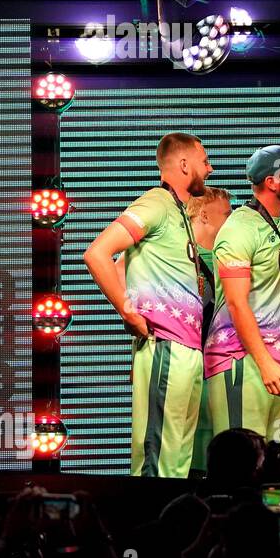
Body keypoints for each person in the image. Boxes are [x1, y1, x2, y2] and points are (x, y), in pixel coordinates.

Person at [83, 132, 214, 477]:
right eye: (205, 160)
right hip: (166, 345)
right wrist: (127, 310)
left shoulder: (178, 213)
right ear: (184, 164)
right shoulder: (156, 201)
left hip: (186, 347)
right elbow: (97, 253)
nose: (210, 168)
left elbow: (120, 265)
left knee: (177, 459)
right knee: (156, 459)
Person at [204, 145, 280, 442]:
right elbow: (236, 303)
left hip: (273, 366)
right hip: (241, 363)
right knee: (240, 466)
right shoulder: (240, 228)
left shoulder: (276, 224)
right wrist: (265, 363)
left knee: (271, 467)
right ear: (272, 181)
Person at [185, 186, 232, 472]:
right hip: (185, 365)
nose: (233, 220)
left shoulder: (225, 257)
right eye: (227, 214)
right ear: (204, 214)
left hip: (216, 367)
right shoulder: (177, 251)